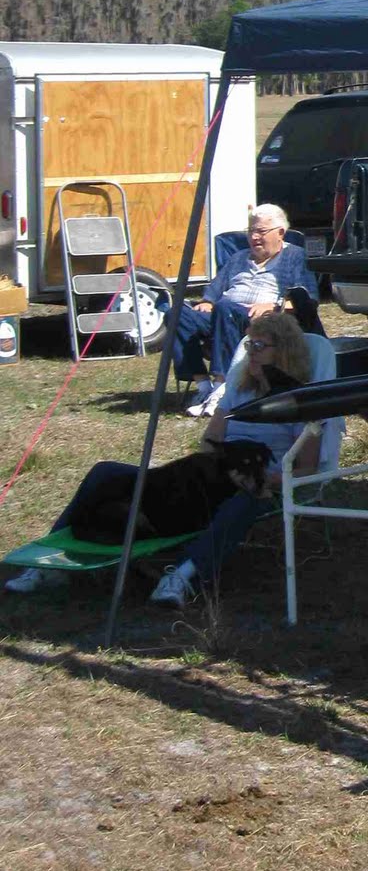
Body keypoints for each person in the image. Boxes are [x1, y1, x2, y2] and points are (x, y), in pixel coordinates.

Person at [6, 312, 321, 605]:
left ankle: (184, 575)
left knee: (244, 501)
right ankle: (50, 562)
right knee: (105, 473)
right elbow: (211, 442)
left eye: (259, 346)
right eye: (249, 344)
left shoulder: (304, 401)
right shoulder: (239, 391)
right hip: (218, 476)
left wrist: (264, 479)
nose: (250, 352)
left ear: (282, 352)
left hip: (264, 485)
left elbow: (309, 468)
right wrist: (216, 469)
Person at [171, 204, 318, 416]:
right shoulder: (238, 258)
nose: (254, 237)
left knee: (225, 309)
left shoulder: (295, 257)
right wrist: (208, 302)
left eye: (261, 231)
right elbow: (213, 292)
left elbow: (308, 299)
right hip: (224, 314)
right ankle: (203, 386)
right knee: (177, 313)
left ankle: (222, 387)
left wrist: (273, 306)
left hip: (264, 322)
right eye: (251, 231)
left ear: (280, 233)